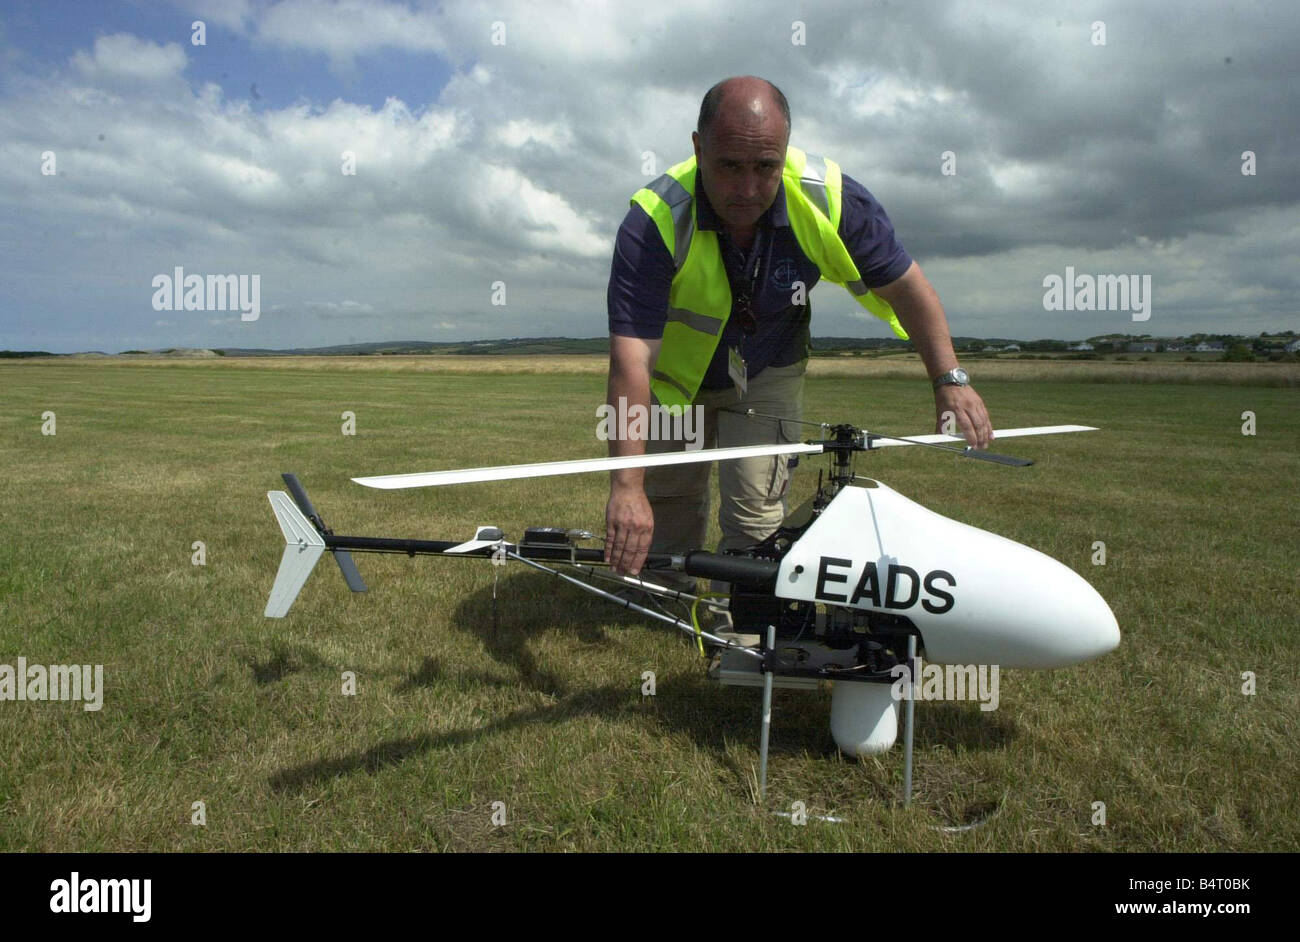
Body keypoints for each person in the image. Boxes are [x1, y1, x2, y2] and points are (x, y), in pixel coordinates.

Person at [603, 75, 992, 587]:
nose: (747, 189)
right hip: (673, 384)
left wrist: (951, 379)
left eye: (765, 167)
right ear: (698, 149)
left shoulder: (832, 200)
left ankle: (741, 628)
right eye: (729, 166)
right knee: (667, 501)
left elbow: (909, 288)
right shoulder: (654, 221)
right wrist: (627, 488)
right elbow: (631, 359)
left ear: (785, 152)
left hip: (769, 369)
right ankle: (665, 601)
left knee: (755, 517)